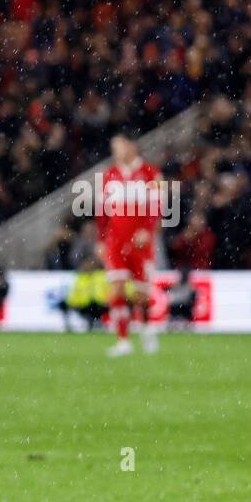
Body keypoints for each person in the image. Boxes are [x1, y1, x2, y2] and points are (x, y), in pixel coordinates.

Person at [98, 133, 162, 356]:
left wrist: (148, 229)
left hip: (140, 242)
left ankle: (145, 329)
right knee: (116, 287)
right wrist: (100, 240)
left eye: (120, 146)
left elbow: (158, 206)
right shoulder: (109, 175)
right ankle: (123, 340)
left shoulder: (151, 173)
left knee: (141, 295)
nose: (116, 151)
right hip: (115, 240)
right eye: (114, 147)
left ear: (132, 146)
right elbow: (102, 213)